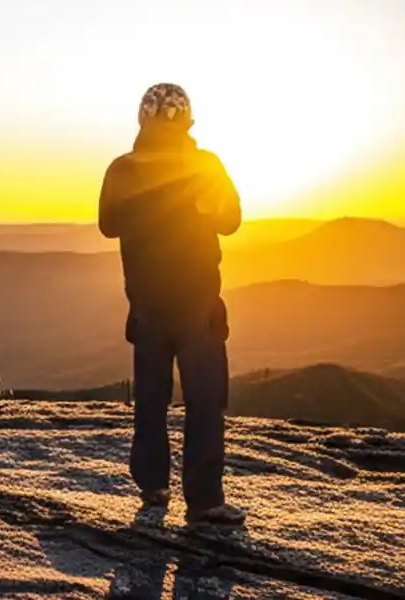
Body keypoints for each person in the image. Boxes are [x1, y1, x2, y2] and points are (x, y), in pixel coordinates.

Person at [98, 83, 245, 528]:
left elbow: (108, 225)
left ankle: (153, 488)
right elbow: (231, 221)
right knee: (204, 400)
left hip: (146, 302)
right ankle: (204, 502)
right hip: (197, 300)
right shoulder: (205, 166)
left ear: (142, 120)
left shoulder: (123, 169)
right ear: (188, 122)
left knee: (150, 398)